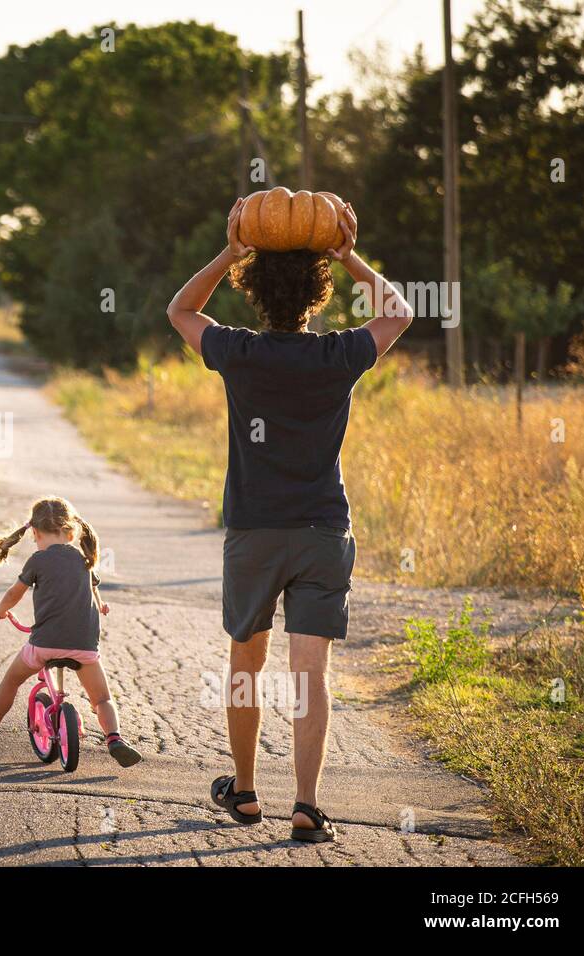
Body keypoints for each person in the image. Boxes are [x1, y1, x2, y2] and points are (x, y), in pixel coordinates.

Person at [166, 197, 413, 842]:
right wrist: (348, 256)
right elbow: (400, 313)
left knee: (245, 663)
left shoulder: (238, 352)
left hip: (254, 531)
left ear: (254, 293)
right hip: (322, 533)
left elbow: (180, 310)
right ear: (318, 294)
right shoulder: (338, 355)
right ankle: (306, 805)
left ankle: (245, 792)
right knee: (312, 674)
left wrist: (228, 253)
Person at [0, 496, 142, 768]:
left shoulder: (38, 560)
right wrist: (101, 607)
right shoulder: (84, 559)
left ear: (35, 533)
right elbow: (94, 590)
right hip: (84, 648)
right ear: (71, 533)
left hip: (44, 646)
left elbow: (14, 594)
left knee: (12, 681)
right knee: (102, 698)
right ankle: (114, 738)